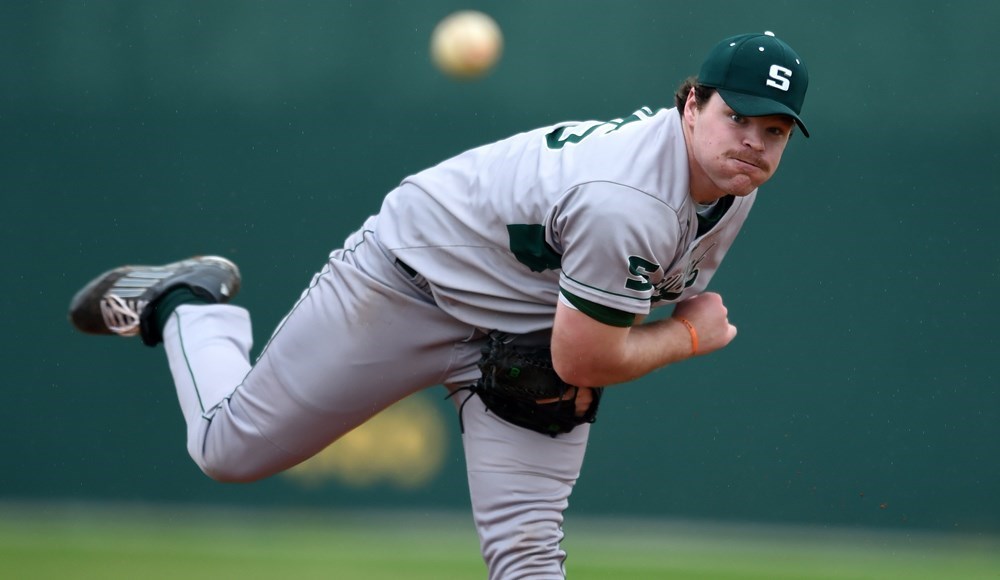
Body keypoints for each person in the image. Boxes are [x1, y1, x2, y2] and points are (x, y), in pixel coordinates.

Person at [69, 31, 810, 579]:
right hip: (409, 284)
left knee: (527, 550)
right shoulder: (629, 198)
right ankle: (188, 304)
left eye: (772, 130)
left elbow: (579, 333)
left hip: (525, 323)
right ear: (690, 103)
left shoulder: (729, 185)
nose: (752, 141)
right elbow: (585, 354)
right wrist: (684, 336)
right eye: (736, 117)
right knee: (228, 451)